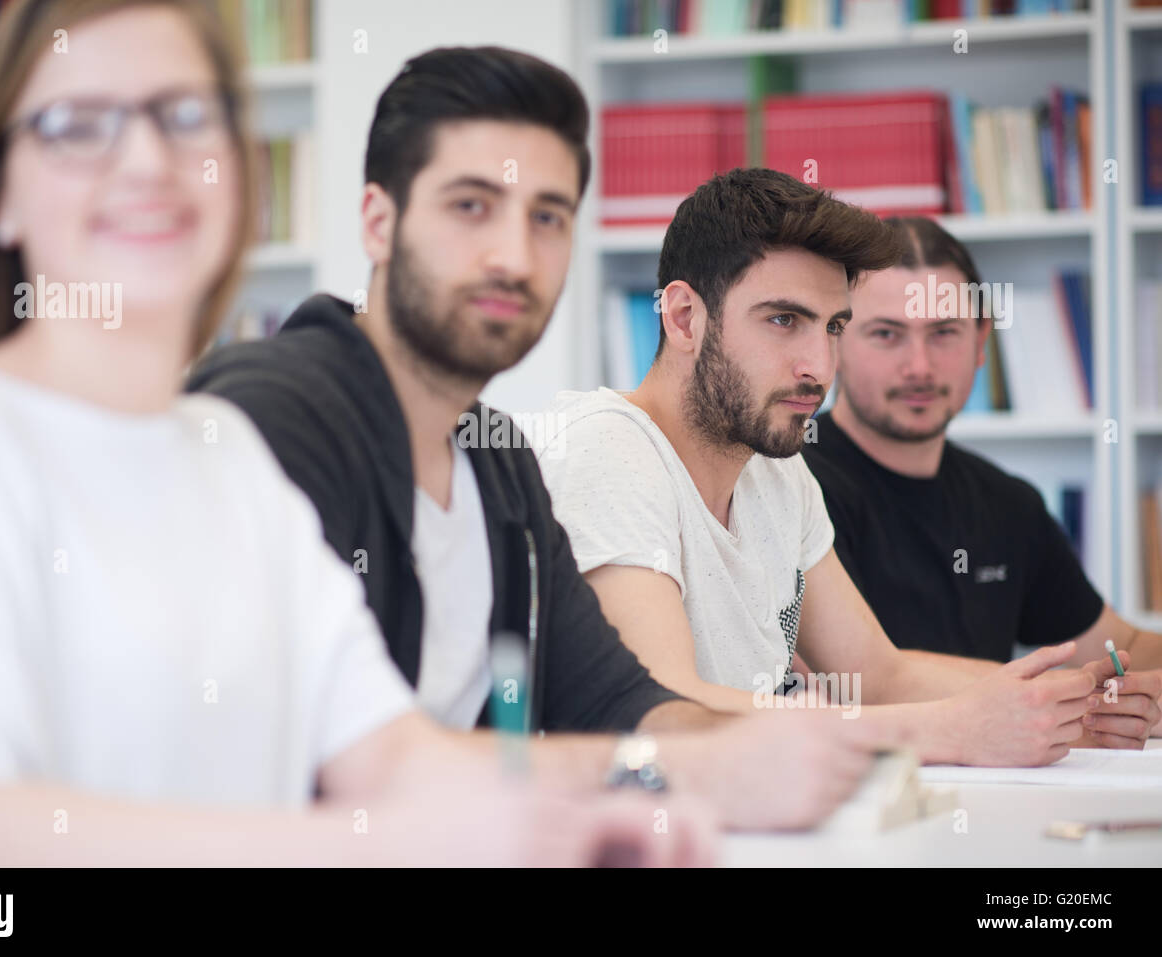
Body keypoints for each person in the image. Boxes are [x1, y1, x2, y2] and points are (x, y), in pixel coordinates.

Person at [0, 0, 713, 867]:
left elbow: (393, 757)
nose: (149, 159)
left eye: (187, 116)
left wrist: (621, 794)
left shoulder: (227, 458)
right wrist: (377, 844)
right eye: (80, 125)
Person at [187, 46, 893, 827]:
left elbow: (622, 702)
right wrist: (681, 766)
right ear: (379, 224)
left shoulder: (499, 463)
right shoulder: (274, 422)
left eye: (547, 217)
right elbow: (322, 768)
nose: (515, 257)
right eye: (470, 206)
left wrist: (762, 754)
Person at [534, 167, 1136, 767]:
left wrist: (1077, 709)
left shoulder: (776, 469)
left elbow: (877, 675)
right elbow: (660, 705)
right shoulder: (604, 449)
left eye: (834, 328)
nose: (819, 367)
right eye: (783, 320)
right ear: (685, 318)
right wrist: (948, 730)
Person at [800, 215, 1162, 748]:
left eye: (943, 332)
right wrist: (1080, 699)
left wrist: (1143, 688)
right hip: (864, 801)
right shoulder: (792, 485)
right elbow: (853, 683)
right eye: (887, 334)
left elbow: (1119, 644)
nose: (919, 366)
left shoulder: (1008, 503)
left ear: (979, 342)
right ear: (835, 341)